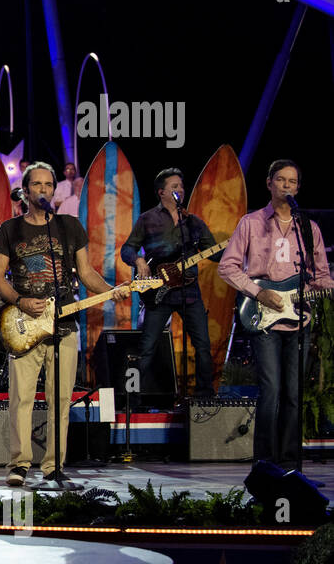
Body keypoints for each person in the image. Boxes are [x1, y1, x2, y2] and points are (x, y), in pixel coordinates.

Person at [0, 162, 130, 486]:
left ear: (54, 190)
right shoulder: (10, 230)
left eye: (48, 185)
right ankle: (19, 464)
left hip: (64, 325)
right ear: (26, 192)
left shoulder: (69, 226)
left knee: (60, 400)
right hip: (25, 324)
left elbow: (85, 273)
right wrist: (20, 300)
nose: (43, 190)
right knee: (21, 398)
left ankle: (54, 466)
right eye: (36, 185)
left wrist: (112, 292)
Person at [218, 159, 334, 470]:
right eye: (280, 180)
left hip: (299, 317)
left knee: (294, 393)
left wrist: (323, 286)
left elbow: (321, 275)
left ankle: (291, 463)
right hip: (264, 317)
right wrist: (259, 292)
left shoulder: (308, 228)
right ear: (269, 183)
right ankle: (265, 463)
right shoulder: (251, 223)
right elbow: (227, 267)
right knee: (271, 390)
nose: (286, 186)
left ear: (298, 188)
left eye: (292, 182)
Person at [120, 167, 223, 401]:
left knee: (203, 345)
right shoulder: (147, 219)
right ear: (161, 192)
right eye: (174, 187)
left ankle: (204, 396)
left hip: (189, 292)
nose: (180, 190)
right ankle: (131, 399)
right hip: (159, 292)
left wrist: (235, 247)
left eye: (181, 186)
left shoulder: (193, 223)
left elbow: (214, 253)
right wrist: (138, 260)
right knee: (147, 347)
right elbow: (127, 248)